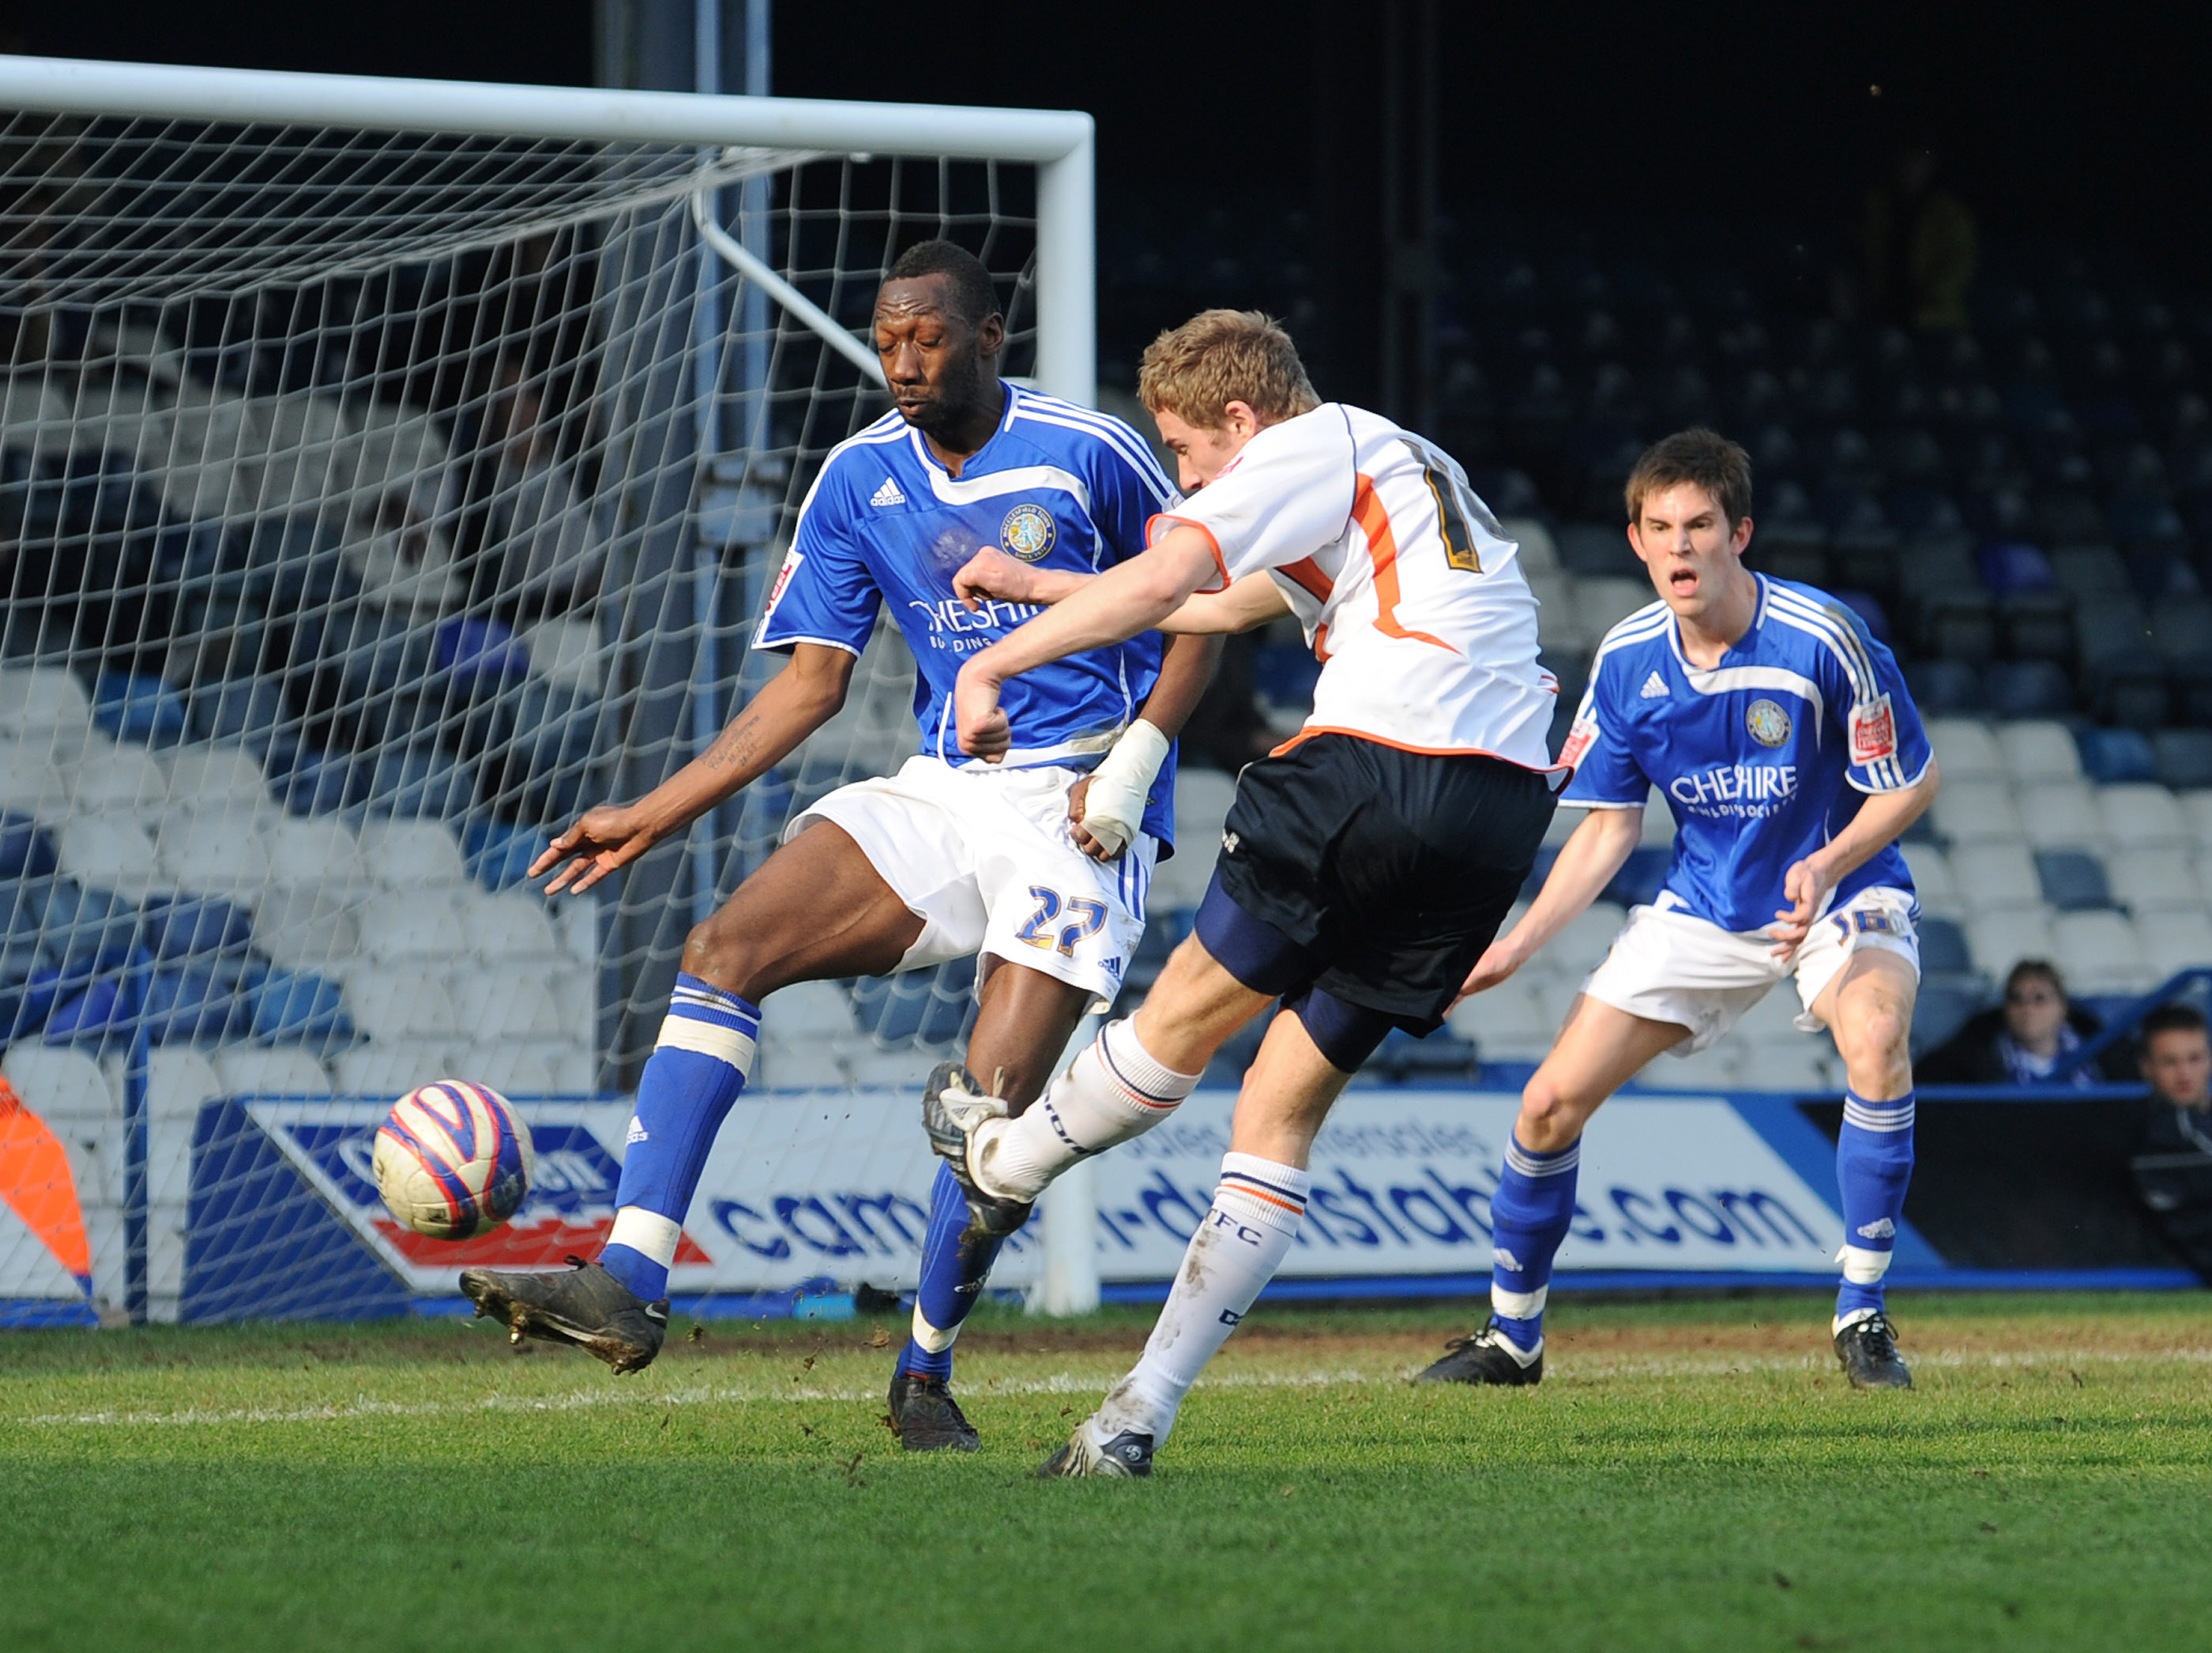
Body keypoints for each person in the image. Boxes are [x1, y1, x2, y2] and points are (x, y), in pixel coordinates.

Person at [457, 239, 1221, 1453]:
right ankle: (628, 1278)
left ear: (987, 338)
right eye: (887, 337)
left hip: (1081, 805)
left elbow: (1201, 605)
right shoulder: (858, 477)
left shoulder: (1092, 451)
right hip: (950, 784)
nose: (903, 361)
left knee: (990, 1120)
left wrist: (1137, 759)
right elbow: (811, 686)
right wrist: (657, 811)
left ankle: (922, 1372)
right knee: (725, 945)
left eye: (928, 337)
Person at [931, 308, 1561, 1477]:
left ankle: (1004, 1167)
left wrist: (986, 660)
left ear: (1239, 417)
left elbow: (1176, 569)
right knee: (1277, 1109)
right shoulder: (1402, 464)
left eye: (1183, 449)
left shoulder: (1299, 447)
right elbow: (1224, 602)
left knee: (1176, 1025)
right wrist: (1035, 581)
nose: (1183, 474)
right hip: (1496, 813)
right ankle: (1131, 1424)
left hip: (1377, 761)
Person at [1415, 428, 1940, 1394]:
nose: (1680, 546)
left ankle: (1861, 1313)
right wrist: (1517, 945)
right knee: (1545, 1105)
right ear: (1635, 539)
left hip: (1837, 891)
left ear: (1739, 532)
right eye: (1660, 527)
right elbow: (1608, 831)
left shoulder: (1825, 636)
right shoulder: (1624, 661)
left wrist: (1826, 863)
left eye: (1699, 524)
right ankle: (1511, 1338)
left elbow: (1909, 781)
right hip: (1704, 905)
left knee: (1875, 1039)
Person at [1918, 960, 2134, 1087]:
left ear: (2062, 1007)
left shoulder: (2106, 1053)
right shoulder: (1970, 1057)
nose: (2027, 1009)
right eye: (2016, 998)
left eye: (2039, 999)